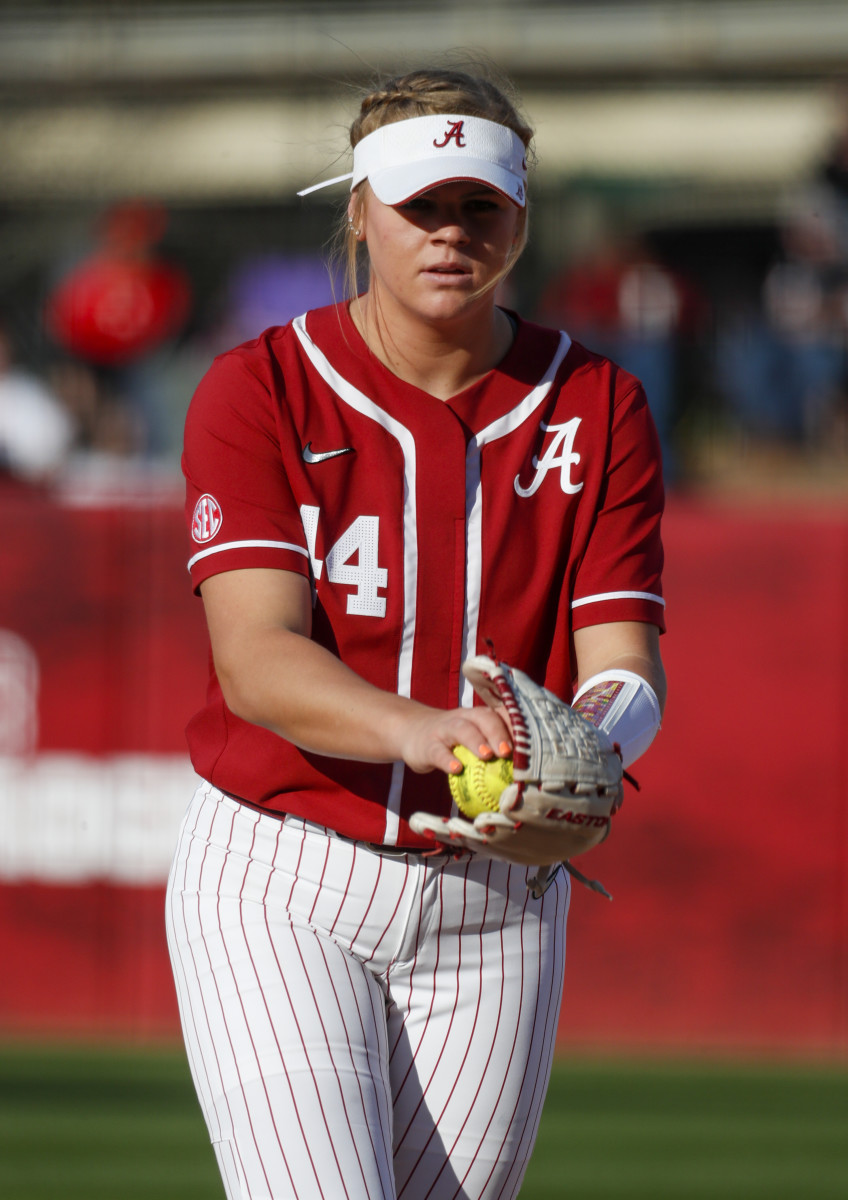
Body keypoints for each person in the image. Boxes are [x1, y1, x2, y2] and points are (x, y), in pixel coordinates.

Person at [166, 66, 667, 1200]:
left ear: (520, 219)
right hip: (285, 872)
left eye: (477, 207)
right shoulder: (260, 389)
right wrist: (431, 734)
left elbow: (623, 667)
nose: (448, 233)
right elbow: (254, 661)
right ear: (358, 209)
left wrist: (585, 754)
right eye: (418, 204)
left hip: (497, 904)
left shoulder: (597, 405)